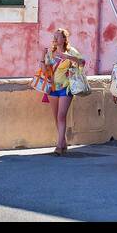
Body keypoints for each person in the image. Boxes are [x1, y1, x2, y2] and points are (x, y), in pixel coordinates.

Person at [42, 28, 85, 157]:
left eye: (57, 37)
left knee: (61, 116)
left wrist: (68, 57)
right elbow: (45, 70)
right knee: (56, 117)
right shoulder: (51, 52)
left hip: (66, 88)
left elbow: (82, 63)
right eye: (54, 37)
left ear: (64, 39)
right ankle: (64, 143)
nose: (55, 39)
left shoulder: (72, 51)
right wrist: (41, 57)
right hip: (53, 88)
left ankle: (59, 145)